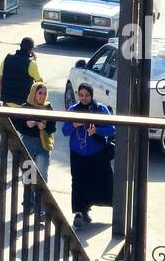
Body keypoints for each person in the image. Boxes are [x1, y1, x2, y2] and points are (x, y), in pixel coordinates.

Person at [62, 82, 116, 228]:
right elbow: (64, 131)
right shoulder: (73, 110)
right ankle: (80, 212)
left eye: (86, 95)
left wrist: (96, 131)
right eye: (81, 95)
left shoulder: (100, 109)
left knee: (105, 180)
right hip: (78, 153)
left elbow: (111, 128)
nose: (84, 98)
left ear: (91, 95)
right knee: (78, 182)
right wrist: (73, 125)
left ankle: (117, 211)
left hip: (97, 153)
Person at [17, 81, 57, 215]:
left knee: (42, 175)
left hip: (42, 146)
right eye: (40, 93)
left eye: (45, 93)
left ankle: (42, 206)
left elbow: (53, 127)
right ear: (34, 93)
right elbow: (18, 125)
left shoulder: (49, 108)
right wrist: (28, 125)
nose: (42, 96)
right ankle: (29, 204)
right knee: (28, 177)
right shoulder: (25, 107)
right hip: (28, 144)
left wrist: (45, 127)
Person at [0, 37, 42, 106]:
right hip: (23, 107)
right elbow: (40, 85)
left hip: (6, 105)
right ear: (31, 50)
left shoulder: (7, 59)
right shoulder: (31, 64)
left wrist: (5, 96)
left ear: (20, 46)